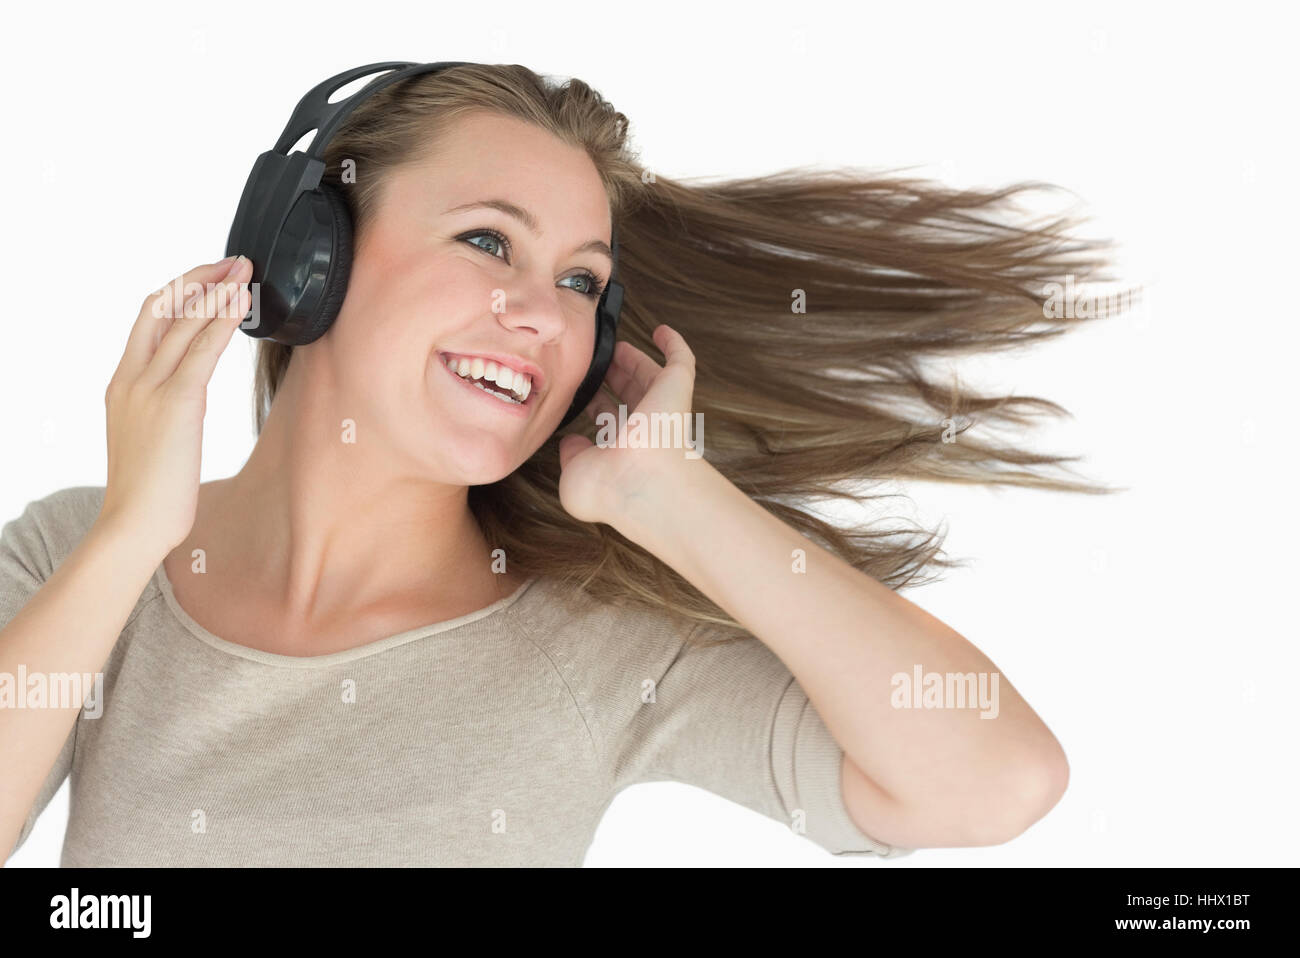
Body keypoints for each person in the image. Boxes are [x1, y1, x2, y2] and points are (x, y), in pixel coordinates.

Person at [0, 63, 1131, 866]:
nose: (542, 314)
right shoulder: (77, 557)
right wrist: (131, 539)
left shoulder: (585, 643)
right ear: (313, 256)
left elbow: (997, 781)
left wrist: (674, 497)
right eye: (488, 241)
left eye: (582, 281)